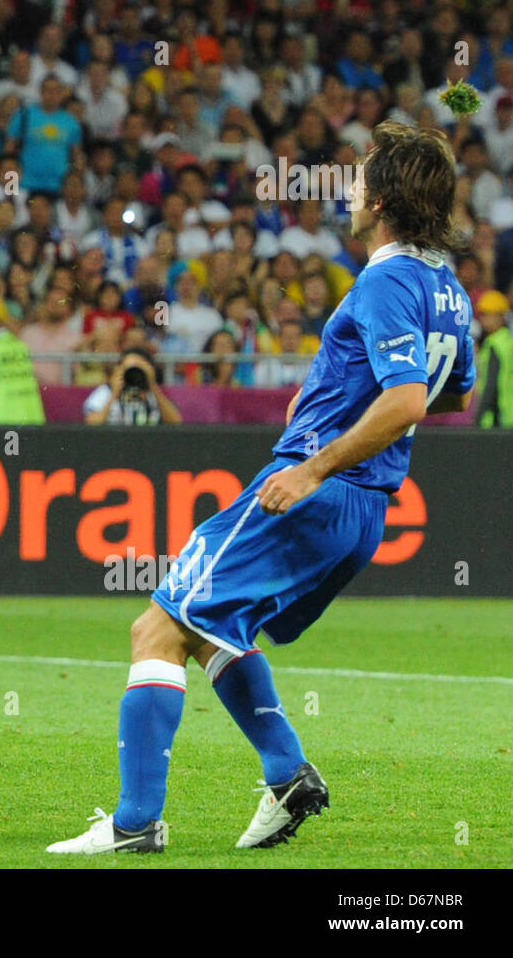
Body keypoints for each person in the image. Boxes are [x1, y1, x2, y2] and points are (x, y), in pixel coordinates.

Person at [48, 122, 475, 856]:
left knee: (156, 627)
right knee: (215, 626)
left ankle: (134, 823)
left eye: (361, 176)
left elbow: (408, 400)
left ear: (383, 199)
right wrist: (333, 405)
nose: (349, 187)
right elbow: (454, 388)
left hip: (317, 490)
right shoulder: (450, 291)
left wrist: (313, 461)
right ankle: (287, 775)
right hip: (364, 506)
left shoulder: (386, 280)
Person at [83, 346, 183, 425]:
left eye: (138, 369)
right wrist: (114, 394)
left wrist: (152, 385)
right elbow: (92, 423)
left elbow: (176, 422)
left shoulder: (155, 394)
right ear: (118, 369)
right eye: (129, 369)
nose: (134, 374)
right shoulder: (105, 391)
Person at [474, 289, 513, 427]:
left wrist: (477, 418)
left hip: (496, 416)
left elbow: (491, 384)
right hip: (507, 415)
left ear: (500, 316)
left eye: (487, 314)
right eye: (482, 314)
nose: (483, 319)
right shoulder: (507, 340)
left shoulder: (495, 343)